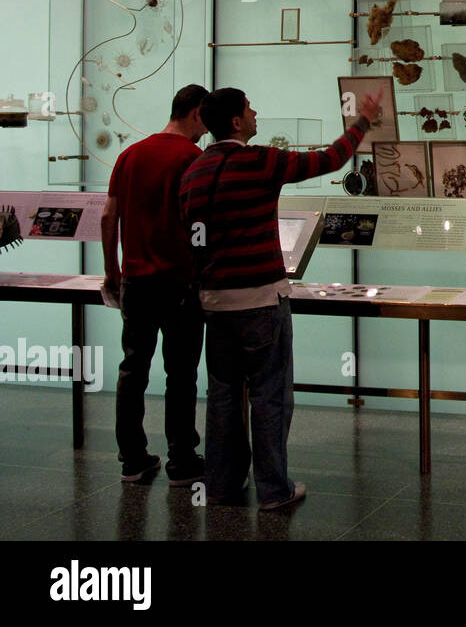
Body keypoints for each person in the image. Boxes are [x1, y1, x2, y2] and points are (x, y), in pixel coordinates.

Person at [179, 86, 379, 511]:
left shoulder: (194, 172)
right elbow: (328, 160)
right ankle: (273, 489)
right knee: (269, 397)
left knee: (223, 397)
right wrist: (361, 122)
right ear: (235, 121)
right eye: (249, 108)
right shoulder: (260, 161)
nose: (256, 113)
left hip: (215, 305)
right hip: (261, 303)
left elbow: (192, 239)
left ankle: (220, 486)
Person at [102, 83, 210, 485]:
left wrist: (112, 271)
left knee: (133, 368)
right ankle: (182, 460)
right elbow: (199, 221)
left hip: (136, 280)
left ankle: (132, 458)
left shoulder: (130, 155)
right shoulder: (192, 157)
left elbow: (107, 216)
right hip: (180, 281)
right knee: (180, 373)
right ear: (197, 112)